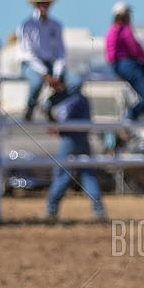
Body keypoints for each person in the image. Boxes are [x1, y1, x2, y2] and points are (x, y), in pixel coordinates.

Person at [42, 71, 106, 222]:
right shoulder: (82, 99)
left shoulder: (69, 99)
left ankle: (51, 210)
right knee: (87, 173)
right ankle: (99, 211)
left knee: (62, 173)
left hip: (70, 140)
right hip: (83, 139)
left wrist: (51, 114)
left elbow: (60, 117)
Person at [105, 2, 144, 122]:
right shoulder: (124, 29)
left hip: (121, 65)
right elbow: (135, 47)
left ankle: (143, 111)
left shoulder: (112, 30)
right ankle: (132, 116)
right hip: (128, 64)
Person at [18, 0, 66, 122]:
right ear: (36, 5)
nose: (44, 6)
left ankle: (47, 105)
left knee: (75, 83)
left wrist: (57, 74)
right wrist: (45, 73)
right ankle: (30, 108)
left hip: (50, 64)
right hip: (30, 64)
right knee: (36, 82)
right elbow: (28, 54)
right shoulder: (26, 26)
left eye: (46, 3)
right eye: (41, 3)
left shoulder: (56, 25)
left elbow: (60, 52)